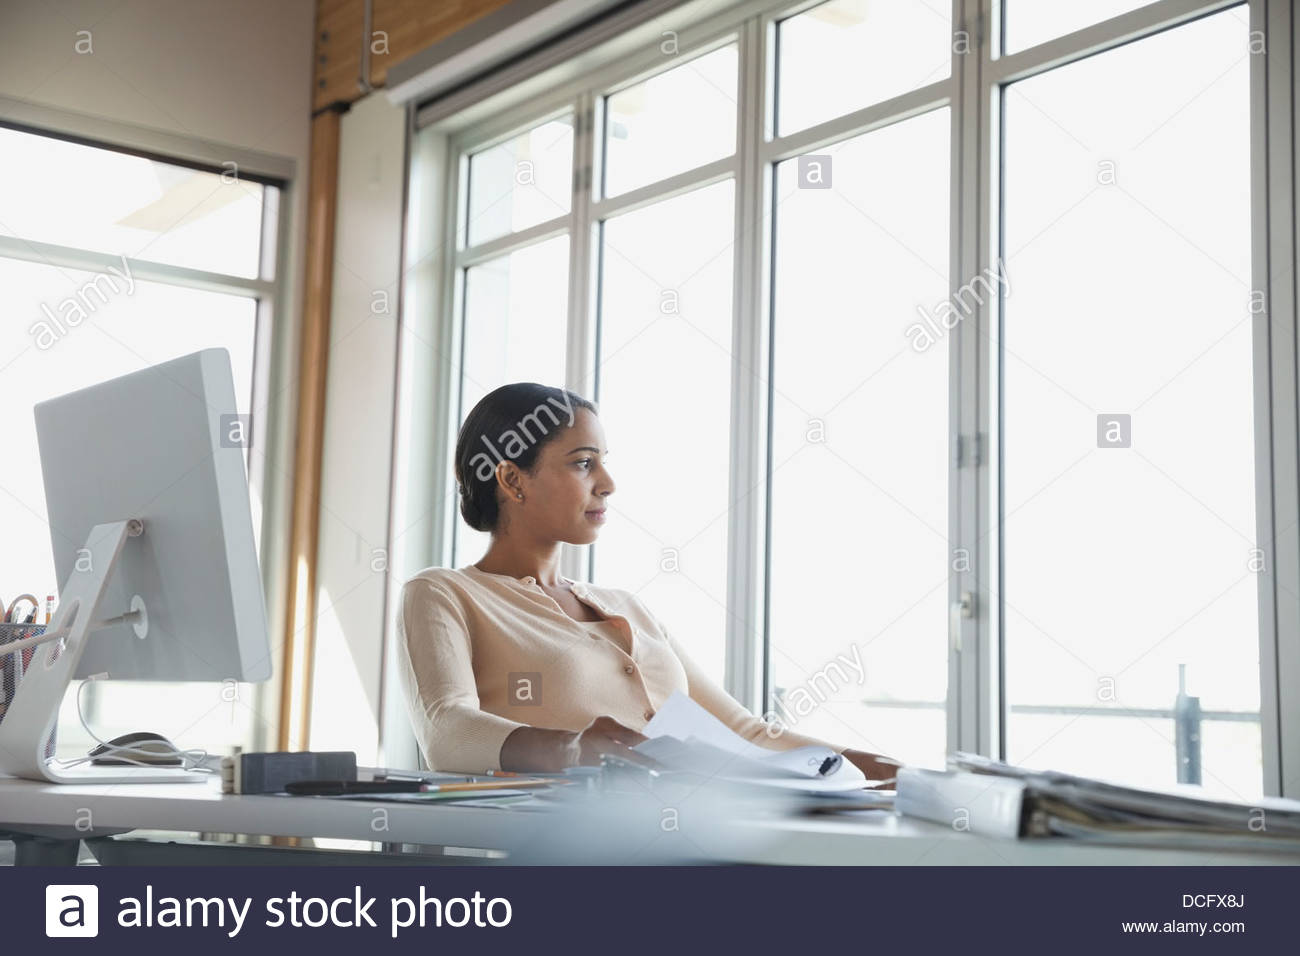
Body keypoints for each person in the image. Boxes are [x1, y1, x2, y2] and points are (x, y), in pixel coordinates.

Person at [396, 382, 900, 786]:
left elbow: (745, 732)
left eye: (603, 461)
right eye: (583, 463)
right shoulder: (444, 594)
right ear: (511, 480)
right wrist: (573, 750)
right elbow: (447, 731)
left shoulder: (628, 607)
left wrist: (881, 768)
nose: (608, 483)